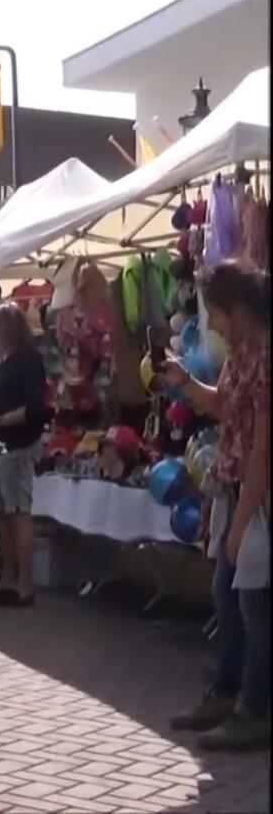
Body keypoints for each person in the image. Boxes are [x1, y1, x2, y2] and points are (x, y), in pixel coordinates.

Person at [165, 259, 269, 751]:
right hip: (234, 485)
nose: (210, 325)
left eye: (215, 314)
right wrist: (184, 381)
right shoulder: (243, 353)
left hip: (258, 494)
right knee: (229, 596)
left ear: (238, 309)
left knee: (253, 602)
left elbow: (264, 448)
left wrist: (242, 521)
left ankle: (255, 708)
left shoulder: (266, 354)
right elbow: (226, 406)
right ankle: (227, 693)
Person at [0, 303, 48, 609]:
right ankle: (7, 578)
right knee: (5, 514)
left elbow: (35, 407)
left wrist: (0, 421)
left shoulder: (29, 361)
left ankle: (25, 584)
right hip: (1, 443)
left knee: (19, 512)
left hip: (19, 443)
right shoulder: (6, 363)